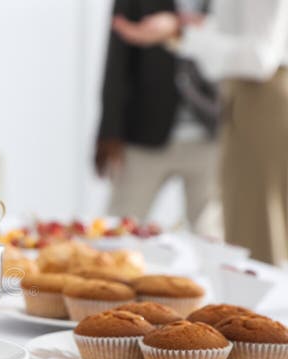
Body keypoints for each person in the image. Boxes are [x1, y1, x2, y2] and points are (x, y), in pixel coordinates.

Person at [112, 0, 288, 264]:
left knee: (254, 242)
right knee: (244, 235)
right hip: (238, 98)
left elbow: (260, 56)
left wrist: (183, 33)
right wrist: (191, 29)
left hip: (256, 96)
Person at [96, 0, 220, 238]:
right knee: (118, 229)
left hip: (210, 135)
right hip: (144, 135)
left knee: (213, 236)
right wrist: (109, 132)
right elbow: (116, 61)